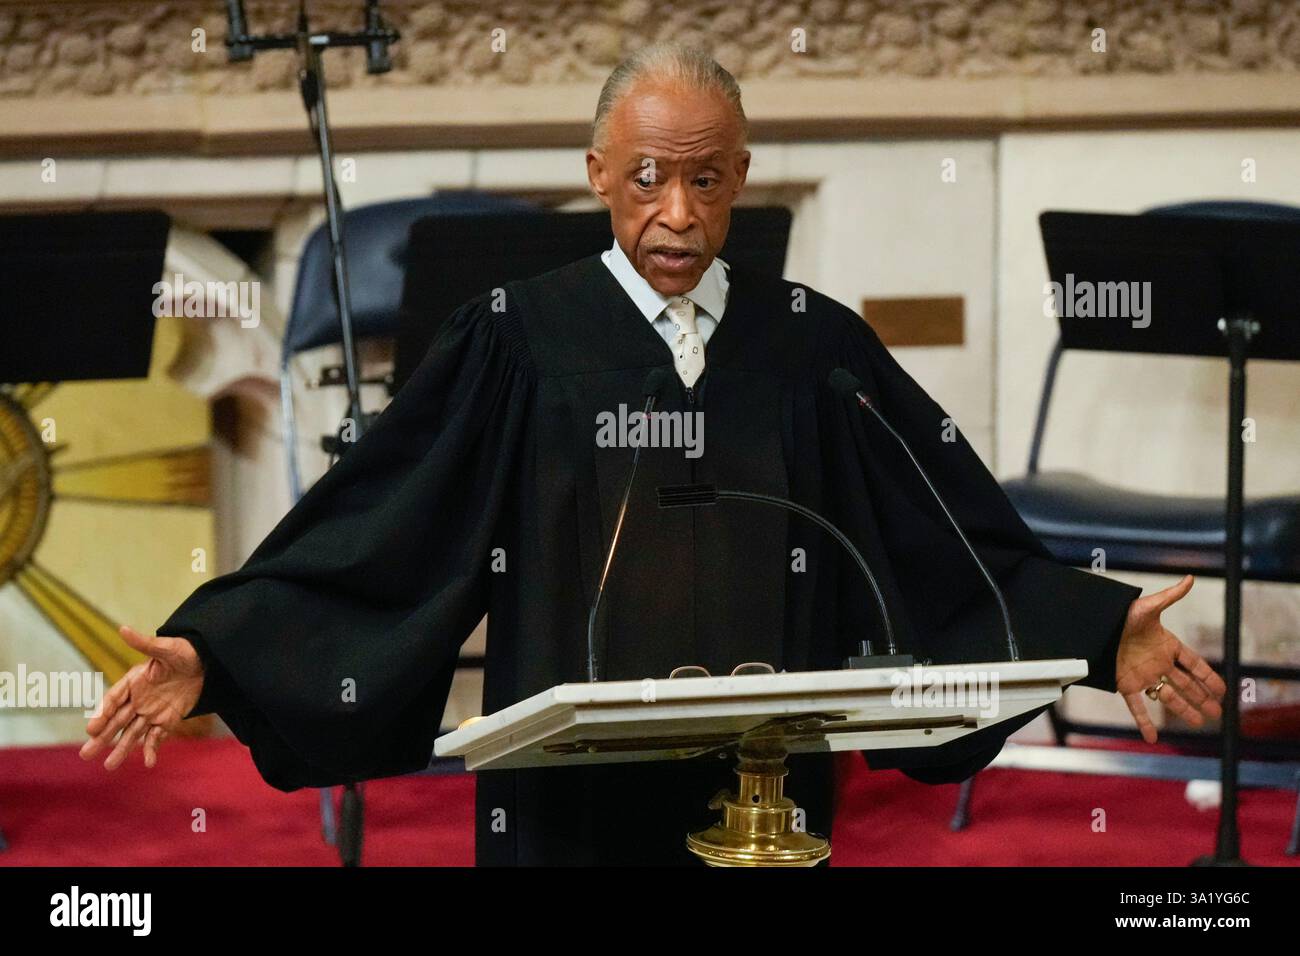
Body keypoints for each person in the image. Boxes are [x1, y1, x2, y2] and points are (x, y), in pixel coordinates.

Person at [82, 43, 1225, 865]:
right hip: (563, 807)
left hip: (767, 792)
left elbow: (940, 529)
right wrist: (218, 646)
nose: (675, 212)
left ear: (740, 175)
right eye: (645, 177)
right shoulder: (516, 339)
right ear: (596, 173)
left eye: (706, 178)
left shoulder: (810, 344)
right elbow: (383, 523)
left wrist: (1091, 620)